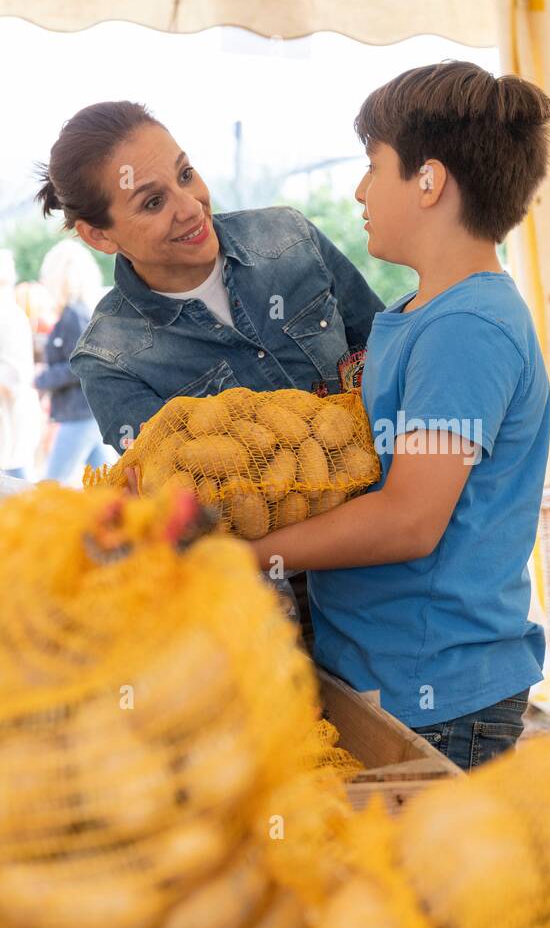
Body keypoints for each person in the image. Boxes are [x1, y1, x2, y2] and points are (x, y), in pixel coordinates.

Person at [251, 61, 550, 771]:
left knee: (421, 883)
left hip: (439, 694)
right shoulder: (421, 316)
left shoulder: (467, 328)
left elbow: (411, 519)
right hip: (386, 672)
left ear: (430, 181)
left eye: (372, 166)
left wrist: (252, 554)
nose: (358, 190)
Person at [35, 101, 384, 629]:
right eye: (153, 202)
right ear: (99, 235)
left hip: (396, 558)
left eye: (185, 174)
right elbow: (181, 515)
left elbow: (387, 358)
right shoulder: (110, 358)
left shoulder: (288, 240)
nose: (191, 206)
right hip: (283, 616)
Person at [35, 240, 116, 484]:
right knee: (110, 484)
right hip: (86, 412)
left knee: (50, 486)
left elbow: (80, 363)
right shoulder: (78, 312)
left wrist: (41, 378)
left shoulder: (75, 315)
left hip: (81, 413)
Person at [0, 249, 41, 481]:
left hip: (11, 421)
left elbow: (12, 376)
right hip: (9, 422)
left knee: (18, 484)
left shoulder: (7, 315)